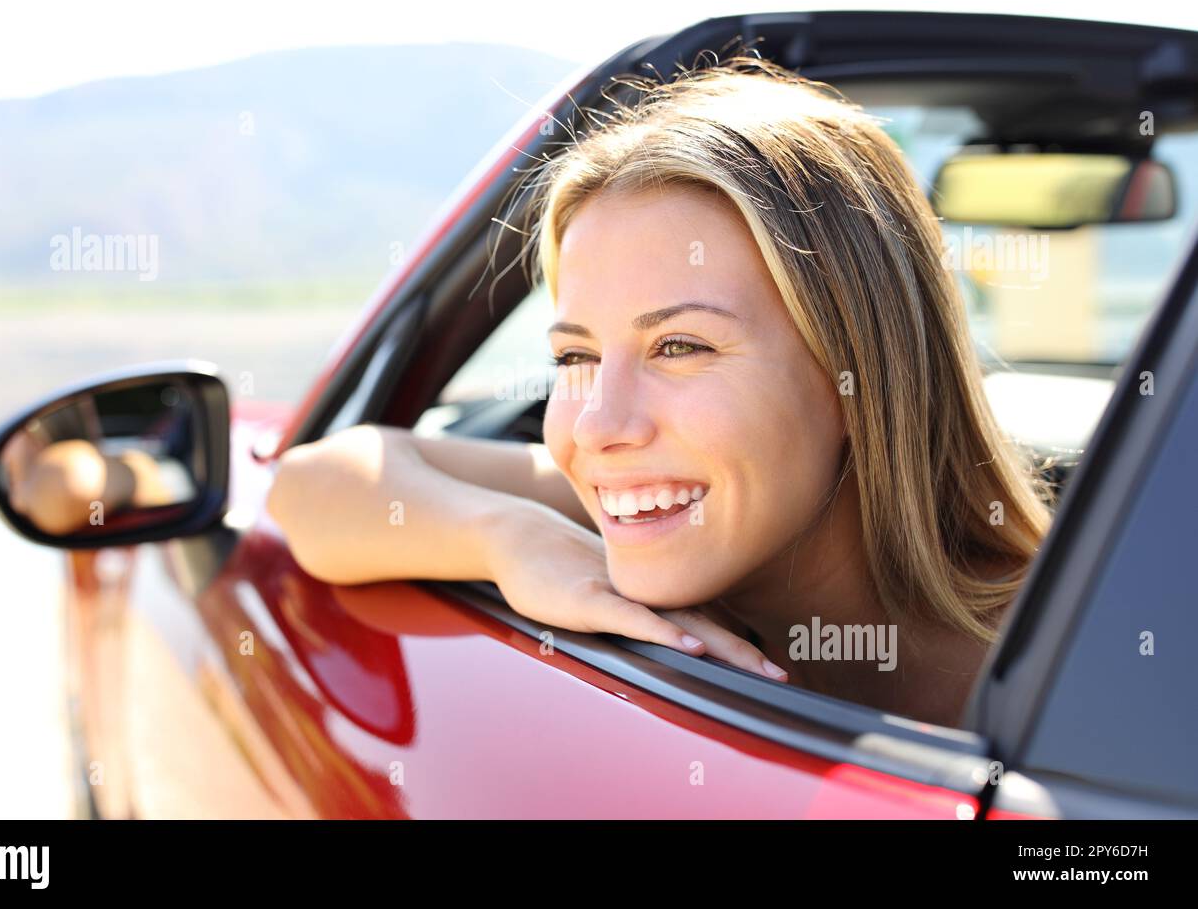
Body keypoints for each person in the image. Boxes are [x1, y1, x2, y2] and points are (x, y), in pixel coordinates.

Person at [269, 54, 1054, 727]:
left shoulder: (1081, 659)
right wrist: (518, 545)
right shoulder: (635, 497)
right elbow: (313, 484)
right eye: (575, 356)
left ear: (856, 376)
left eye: (679, 346)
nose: (602, 426)